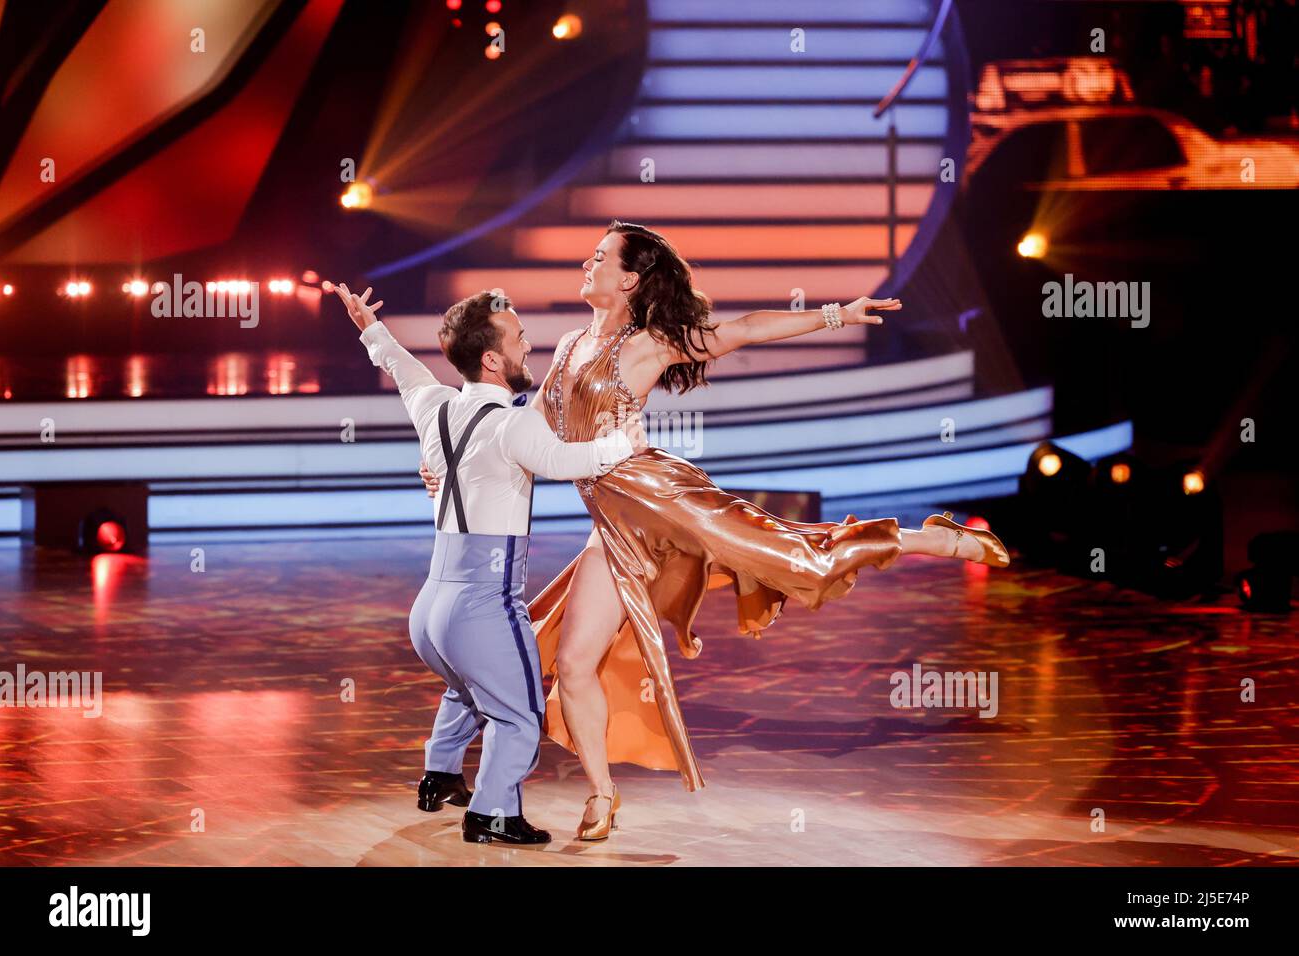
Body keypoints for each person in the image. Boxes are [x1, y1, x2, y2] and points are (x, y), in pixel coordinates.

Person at [422, 220, 1010, 840]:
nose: (586, 263)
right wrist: (454, 466)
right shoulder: (569, 345)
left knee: (794, 560)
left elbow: (745, 329)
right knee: (572, 662)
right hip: (612, 530)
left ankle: (924, 537)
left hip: (667, 504)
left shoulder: (650, 342)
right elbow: (524, 431)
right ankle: (601, 796)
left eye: (601, 257)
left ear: (629, 279)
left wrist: (837, 314)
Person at [335, 282, 647, 845]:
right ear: (492, 359)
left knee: (472, 687)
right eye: (520, 339)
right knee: (520, 713)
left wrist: (370, 330)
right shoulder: (511, 423)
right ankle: (493, 813)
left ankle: (440, 775)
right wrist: (621, 445)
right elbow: (561, 461)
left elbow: (406, 372)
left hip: (430, 609)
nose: (529, 346)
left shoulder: (435, 407)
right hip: (483, 603)